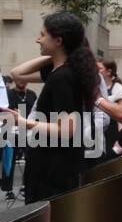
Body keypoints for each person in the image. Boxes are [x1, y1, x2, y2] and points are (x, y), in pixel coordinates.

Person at [4, 12, 102, 203]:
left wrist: (21, 120)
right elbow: (17, 74)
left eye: (42, 35)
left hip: (53, 167)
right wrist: (55, 56)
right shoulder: (61, 72)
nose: (37, 39)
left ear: (58, 40)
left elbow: (66, 130)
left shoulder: (62, 77)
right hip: (55, 164)